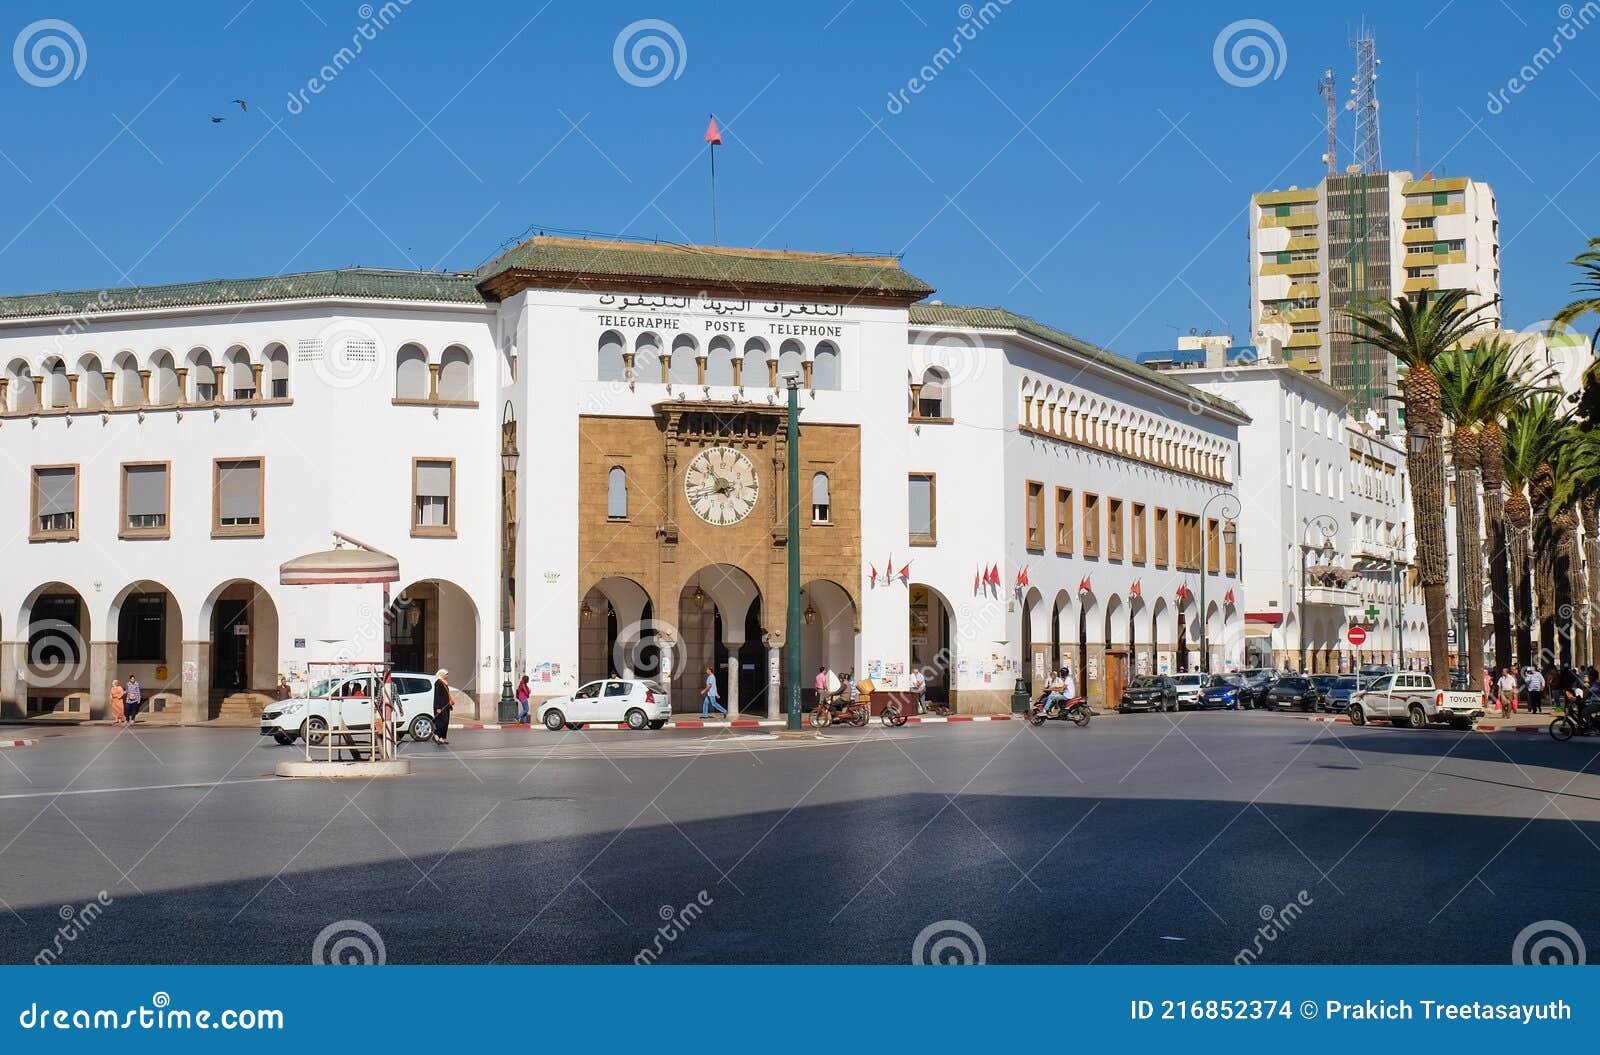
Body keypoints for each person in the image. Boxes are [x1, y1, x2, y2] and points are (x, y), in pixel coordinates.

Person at [431, 669, 452, 745]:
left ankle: (441, 738)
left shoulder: (444, 683)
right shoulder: (438, 683)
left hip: (446, 706)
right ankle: (436, 735)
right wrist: (438, 707)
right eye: (446, 674)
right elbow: (437, 696)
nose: (447, 675)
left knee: (446, 723)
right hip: (440, 706)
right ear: (441, 674)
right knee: (442, 722)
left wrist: (449, 705)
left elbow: (446, 695)